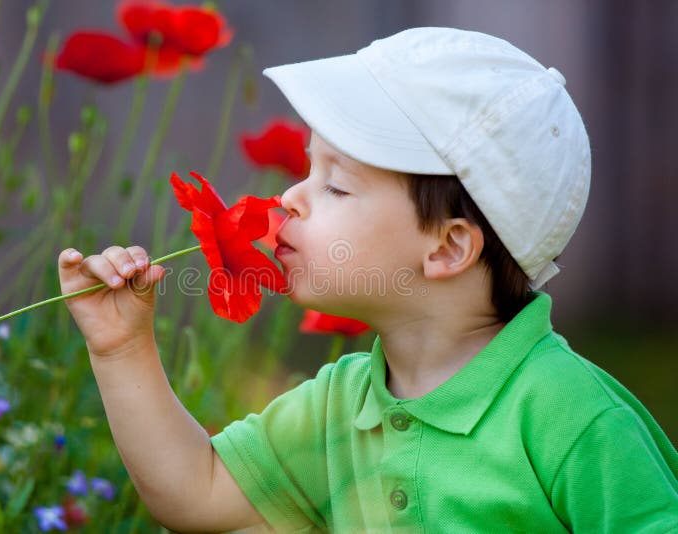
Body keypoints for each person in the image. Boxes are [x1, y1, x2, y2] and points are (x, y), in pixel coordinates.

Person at [58, 27, 678, 532]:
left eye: (335, 184)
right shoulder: (342, 406)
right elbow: (198, 492)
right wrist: (122, 350)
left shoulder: (569, 417)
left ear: (448, 247)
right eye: (307, 168)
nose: (291, 199)